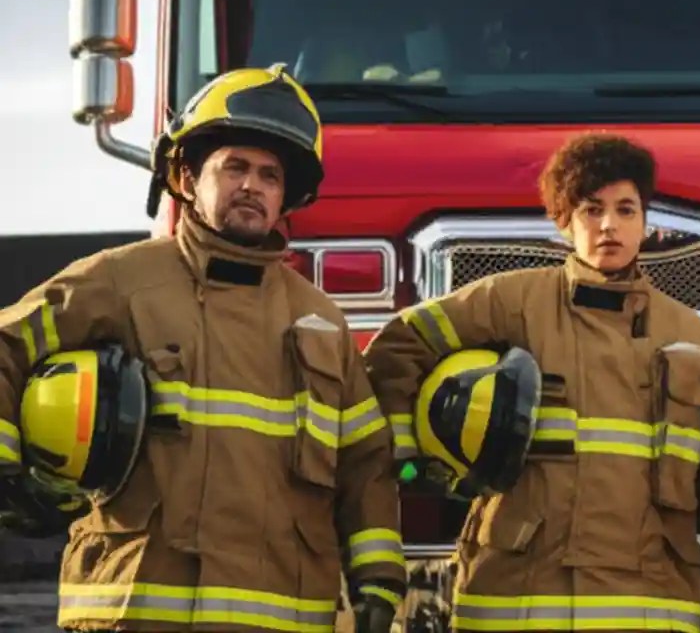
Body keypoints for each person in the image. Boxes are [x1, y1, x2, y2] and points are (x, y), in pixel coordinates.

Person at [0, 65, 406, 633]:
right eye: (234, 166)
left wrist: (378, 582)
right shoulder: (120, 282)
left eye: (269, 176)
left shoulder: (321, 320)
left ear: (285, 196)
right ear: (187, 180)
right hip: (138, 611)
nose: (252, 186)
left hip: (281, 616)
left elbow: (365, 460)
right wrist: (10, 470)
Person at [364, 132, 700, 633]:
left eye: (625, 210)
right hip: (518, 597)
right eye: (591, 210)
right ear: (564, 225)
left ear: (645, 223)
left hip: (653, 600)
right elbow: (398, 347)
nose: (608, 226)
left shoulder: (693, 338)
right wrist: (414, 456)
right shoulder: (511, 303)